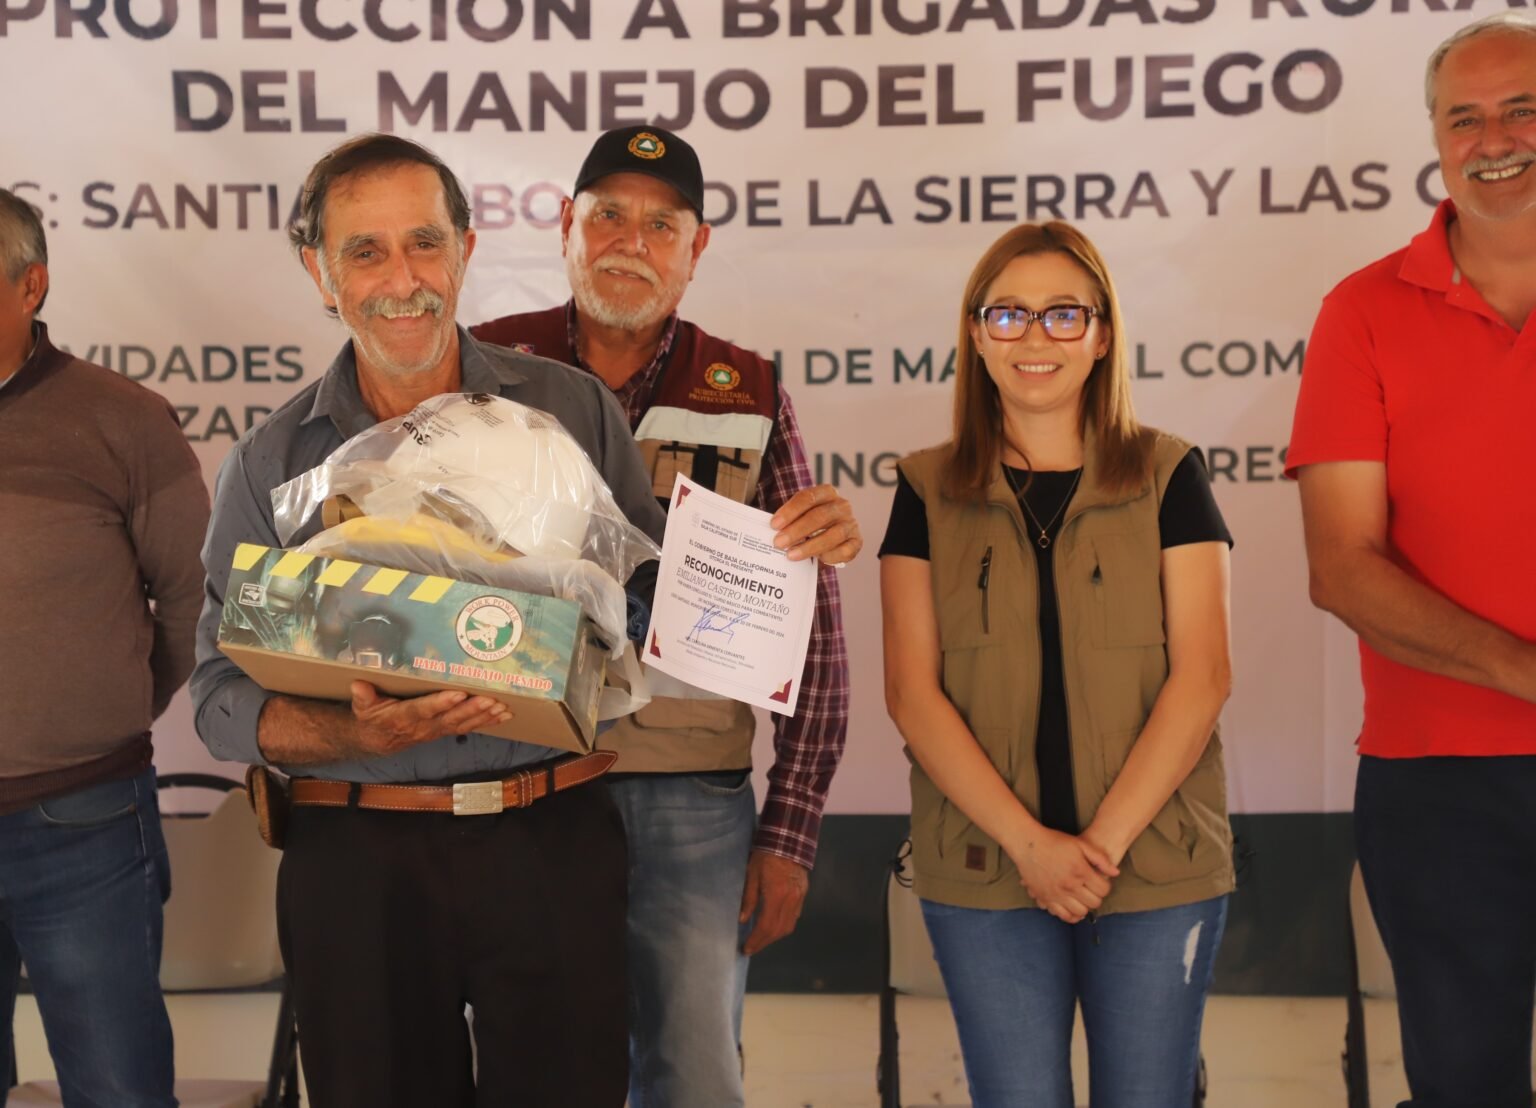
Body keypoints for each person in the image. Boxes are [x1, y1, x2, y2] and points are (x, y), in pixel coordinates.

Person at [188, 134, 668, 1108]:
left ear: (465, 249)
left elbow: (651, 606)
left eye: (423, 244)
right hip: (356, 861)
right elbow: (217, 694)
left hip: (551, 838)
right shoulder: (273, 464)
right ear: (319, 272)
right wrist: (344, 730)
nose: (401, 279)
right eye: (365, 252)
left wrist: (763, 561)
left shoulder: (569, 413)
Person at [471, 126, 856, 1108]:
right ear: (565, 226)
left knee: (694, 1078)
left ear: (697, 247)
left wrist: (790, 833)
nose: (629, 242)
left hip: (696, 802)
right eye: (607, 215)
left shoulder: (751, 390)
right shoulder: (485, 369)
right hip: (526, 788)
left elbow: (819, 635)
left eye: (659, 224)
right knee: (537, 1075)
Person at [879, 220, 1235, 1107]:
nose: (1034, 338)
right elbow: (911, 695)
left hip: (1154, 867)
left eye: (1063, 315)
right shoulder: (924, 488)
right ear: (975, 332)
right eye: (1008, 315)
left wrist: (1095, 851)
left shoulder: (1169, 473)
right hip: (985, 871)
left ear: (1103, 333)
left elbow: (1205, 679)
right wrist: (1034, 849)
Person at [1288, 13, 1536, 1107]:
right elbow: (1343, 566)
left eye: (1524, 108)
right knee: (1464, 1085)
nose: (1497, 138)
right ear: (1436, 139)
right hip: (1441, 785)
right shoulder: (1364, 311)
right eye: (1466, 117)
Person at [0, 187, 209, 1106]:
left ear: (30, 284)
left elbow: (197, 603)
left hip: (78, 819)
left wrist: (103, 706)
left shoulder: (120, 419)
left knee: (117, 1091)